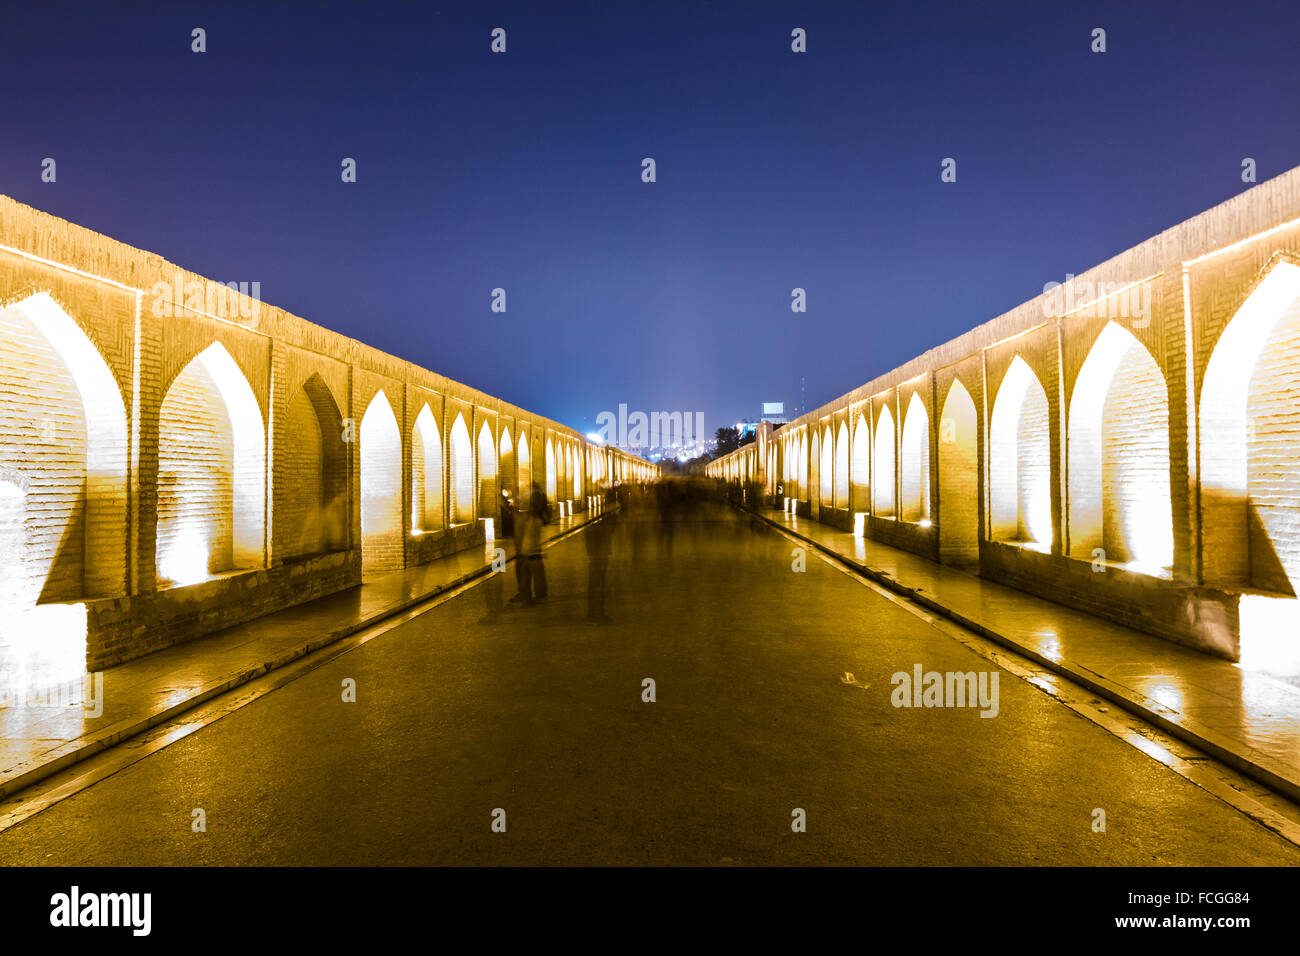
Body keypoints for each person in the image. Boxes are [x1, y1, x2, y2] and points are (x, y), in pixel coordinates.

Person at [518, 482, 551, 604]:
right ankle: (536, 594)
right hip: (532, 551)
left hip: (531, 551)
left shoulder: (533, 520)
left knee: (529, 575)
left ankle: (530, 597)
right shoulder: (537, 519)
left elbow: (531, 536)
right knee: (534, 575)